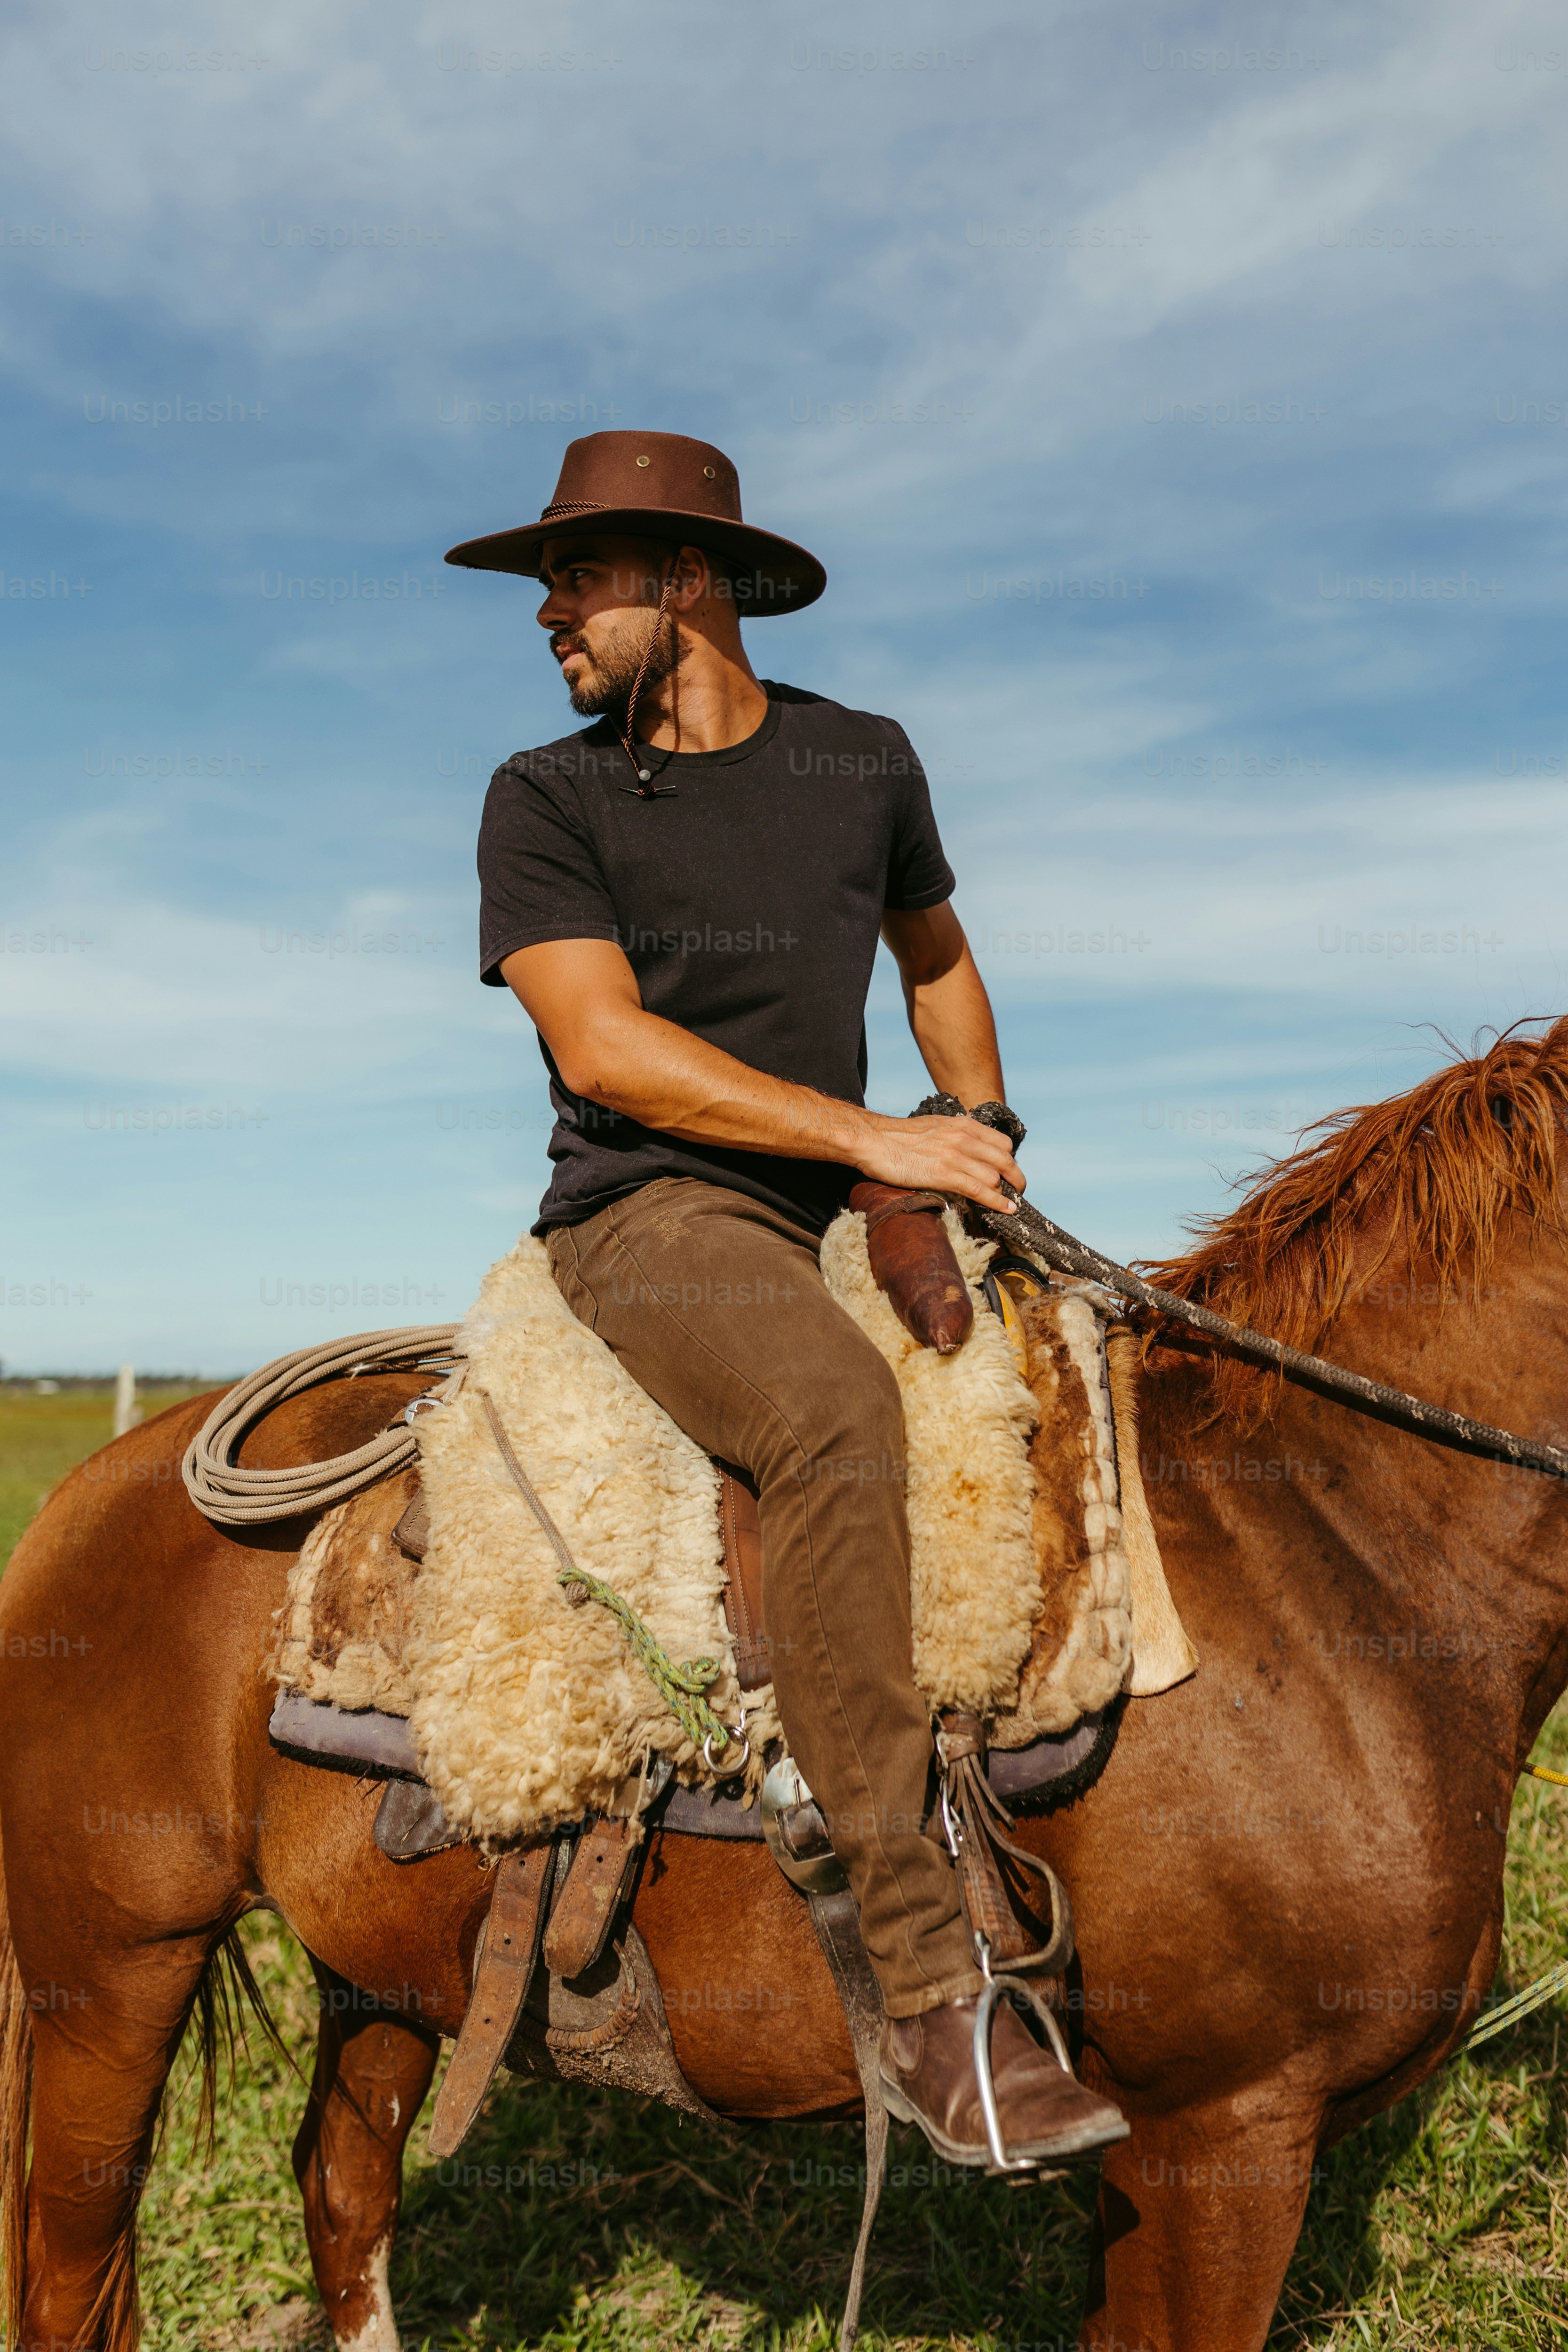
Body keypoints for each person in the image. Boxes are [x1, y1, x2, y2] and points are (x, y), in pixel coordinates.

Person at [449, 431, 1127, 2165]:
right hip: (652, 1206)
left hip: (852, 1182)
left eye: (575, 578)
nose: (547, 616)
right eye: (547, 585)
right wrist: (866, 1131)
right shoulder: (547, 796)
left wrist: (969, 1128)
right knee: (834, 1415)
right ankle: (930, 1990)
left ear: (687, 582)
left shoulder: (862, 758)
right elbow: (606, 1048)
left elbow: (938, 949)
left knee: (1092, 1379)